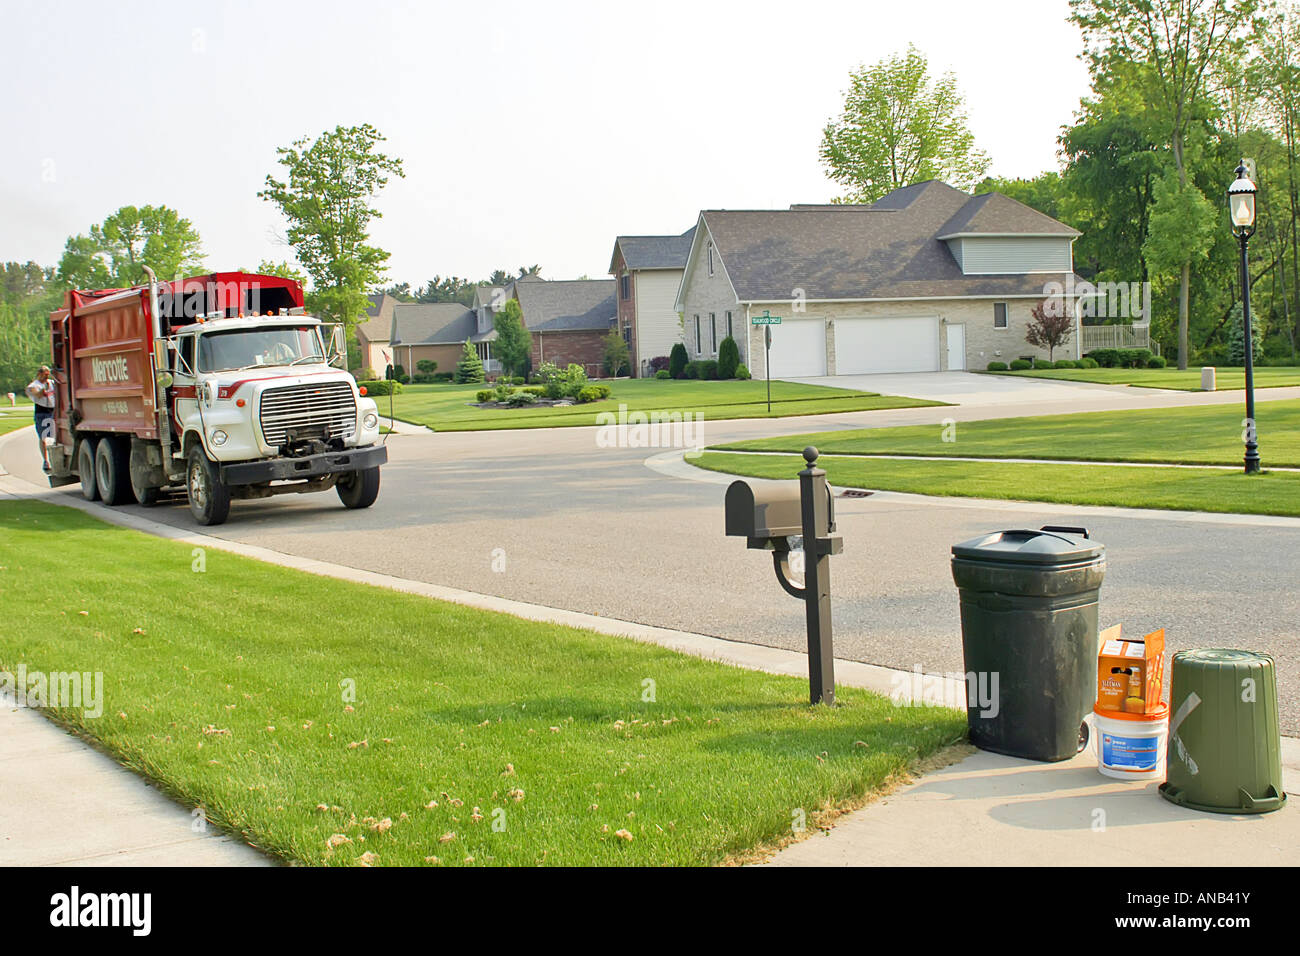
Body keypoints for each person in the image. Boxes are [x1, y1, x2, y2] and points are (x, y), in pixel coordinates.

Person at [25, 366, 55, 473]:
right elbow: (37, 395)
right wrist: (44, 388)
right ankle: (45, 461)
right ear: (39, 374)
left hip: (52, 412)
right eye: (45, 375)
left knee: (54, 437)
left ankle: (55, 460)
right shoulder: (33, 386)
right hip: (41, 413)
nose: (47, 377)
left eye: (48, 374)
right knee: (43, 438)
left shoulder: (52, 382)